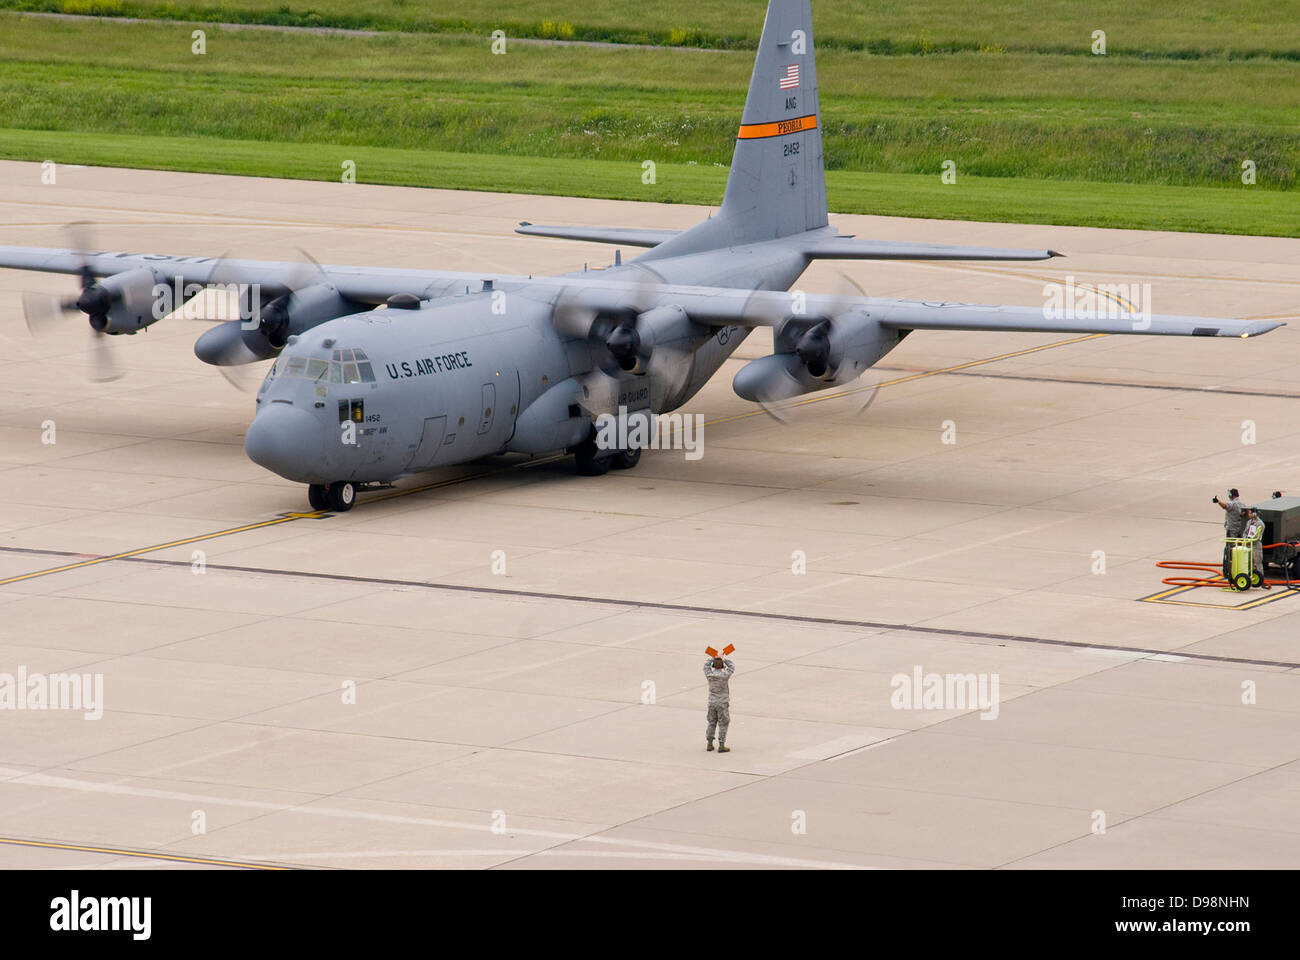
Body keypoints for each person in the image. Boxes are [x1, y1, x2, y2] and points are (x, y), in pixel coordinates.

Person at [703, 656, 735, 753]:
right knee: (723, 723)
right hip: (722, 702)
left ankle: (709, 743)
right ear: (722, 666)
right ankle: (721, 745)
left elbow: (705, 666)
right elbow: (732, 667)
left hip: (712, 702)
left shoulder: (709, 675)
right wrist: (724, 659)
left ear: (713, 665)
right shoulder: (724, 675)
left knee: (711, 722)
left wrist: (712, 658)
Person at [1214, 488, 1246, 582]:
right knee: (1240, 548)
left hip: (1232, 529)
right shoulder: (1242, 504)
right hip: (1240, 529)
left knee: (1230, 549)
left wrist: (1218, 501)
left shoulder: (1233, 504)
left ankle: (1231, 567)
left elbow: (1225, 506)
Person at [1243, 507, 1269, 589]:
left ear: (1254, 514)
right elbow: (1245, 532)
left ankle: (1261, 580)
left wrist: (1250, 540)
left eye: (1250, 513)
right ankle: (1249, 579)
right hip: (1248, 544)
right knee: (1248, 563)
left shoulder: (1260, 524)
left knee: (1257, 563)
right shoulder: (1249, 522)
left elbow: (1257, 536)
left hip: (1255, 545)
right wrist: (1245, 539)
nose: (1248, 514)